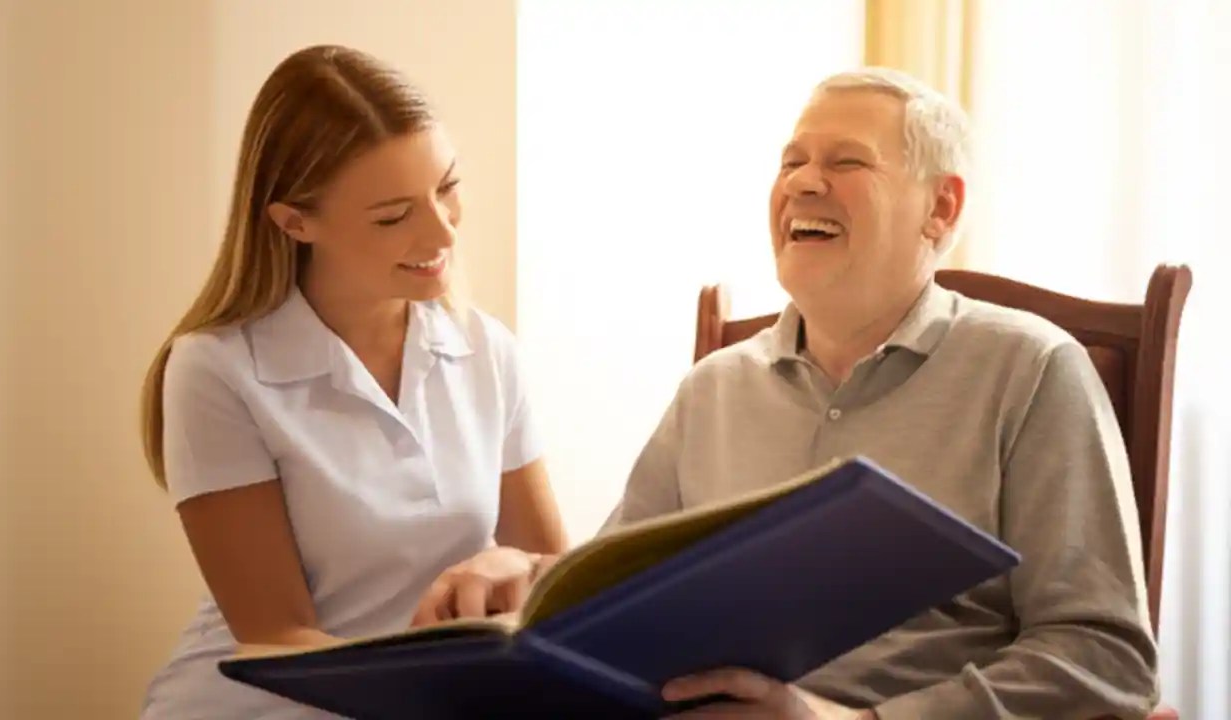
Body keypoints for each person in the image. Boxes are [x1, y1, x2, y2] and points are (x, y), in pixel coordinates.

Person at [420, 67, 1159, 719]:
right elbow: (616, 596)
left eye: (846, 162)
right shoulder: (713, 389)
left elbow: (1105, 655)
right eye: (792, 161)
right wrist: (526, 573)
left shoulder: (1032, 369)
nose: (803, 182)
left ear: (940, 209)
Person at [138, 45, 566, 719]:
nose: (442, 229)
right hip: (277, 700)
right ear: (294, 222)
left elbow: (552, 578)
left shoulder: (486, 350)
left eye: (447, 187)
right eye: (394, 215)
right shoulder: (216, 371)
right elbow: (275, 637)